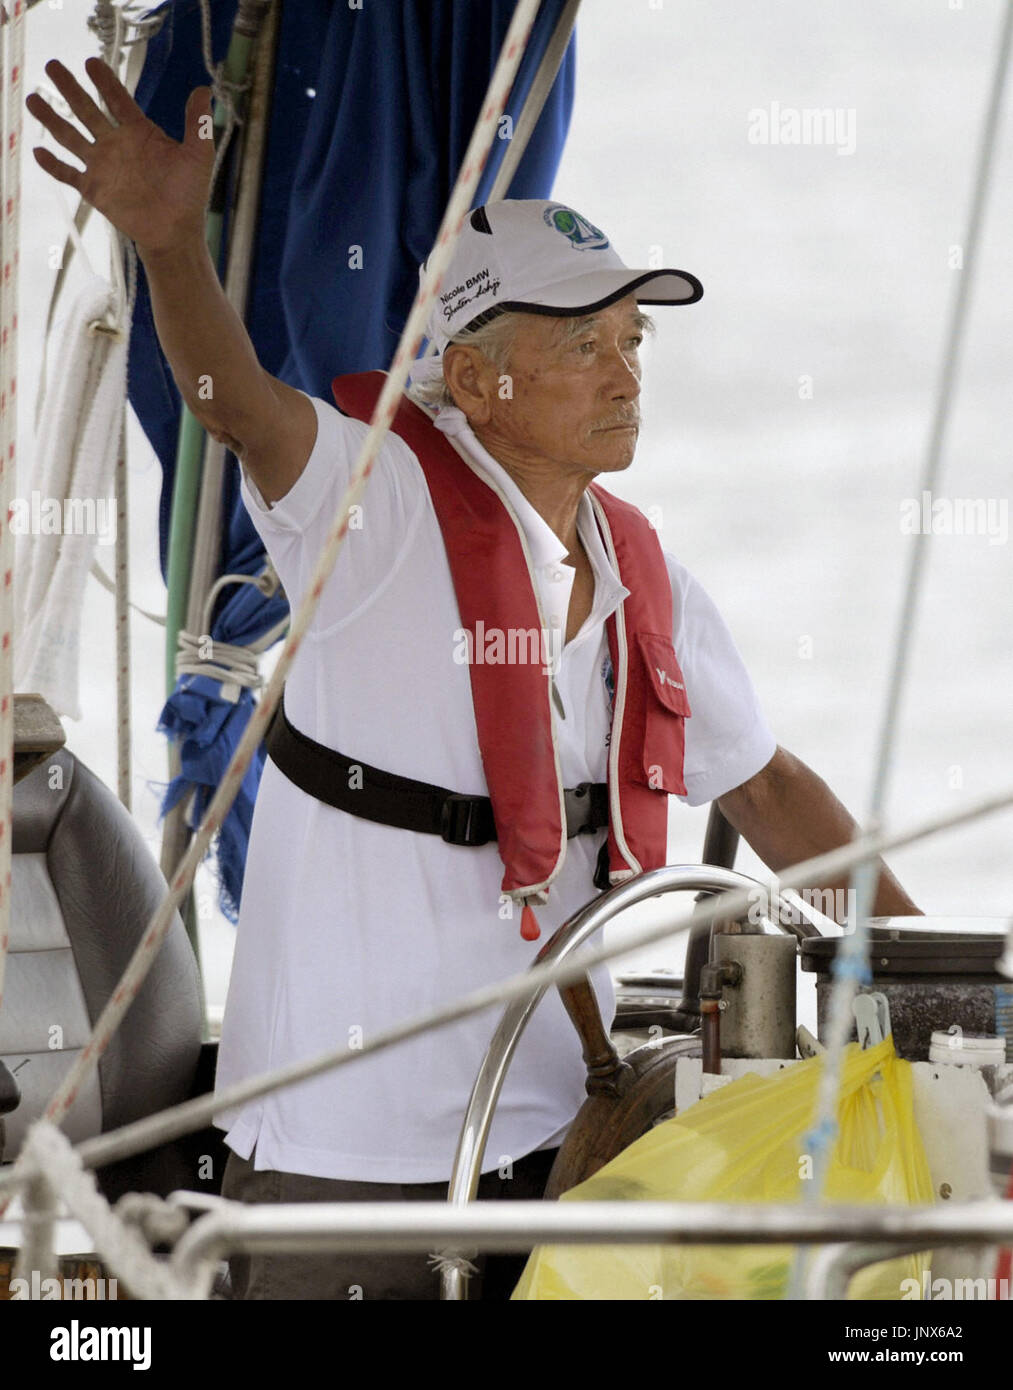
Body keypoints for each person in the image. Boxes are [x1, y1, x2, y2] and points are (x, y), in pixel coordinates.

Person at [29, 58, 921, 1302]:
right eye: (584, 344)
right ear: (483, 380)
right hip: (343, 1160)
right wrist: (171, 246)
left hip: (565, 1144)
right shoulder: (370, 504)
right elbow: (232, 405)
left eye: (631, 340)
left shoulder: (637, 571)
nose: (625, 373)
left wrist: (939, 980)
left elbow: (766, 789)